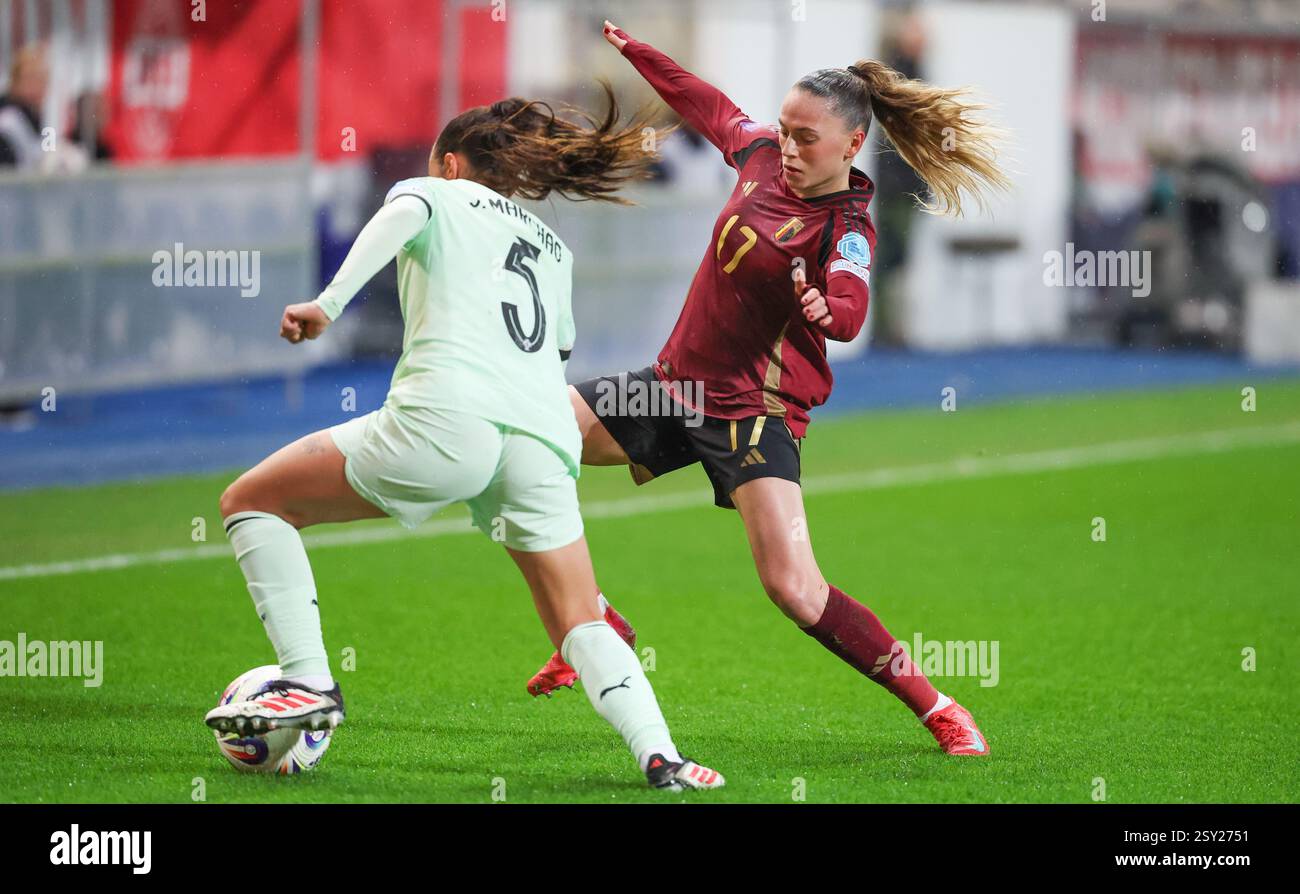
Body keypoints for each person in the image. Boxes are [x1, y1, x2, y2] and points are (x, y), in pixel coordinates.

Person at [204, 89, 724, 791]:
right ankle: (663, 757)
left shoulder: (430, 194)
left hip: (447, 418)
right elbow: (557, 356)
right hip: (542, 436)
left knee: (252, 502)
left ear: (450, 163)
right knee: (582, 616)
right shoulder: (552, 249)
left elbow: (392, 227)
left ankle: (311, 682)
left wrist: (325, 307)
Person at [528, 22, 1010, 758]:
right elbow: (708, 104)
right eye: (784, 129)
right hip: (670, 387)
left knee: (795, 590)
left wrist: (830, 310)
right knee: (534, 440)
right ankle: (594, 621)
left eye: (805, 137)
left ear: (851, 146)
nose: (787, 145)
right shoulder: (758, 157)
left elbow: (850, 304)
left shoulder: (845, 226)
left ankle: (937, 705)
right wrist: (637, 52)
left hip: (754, 415)